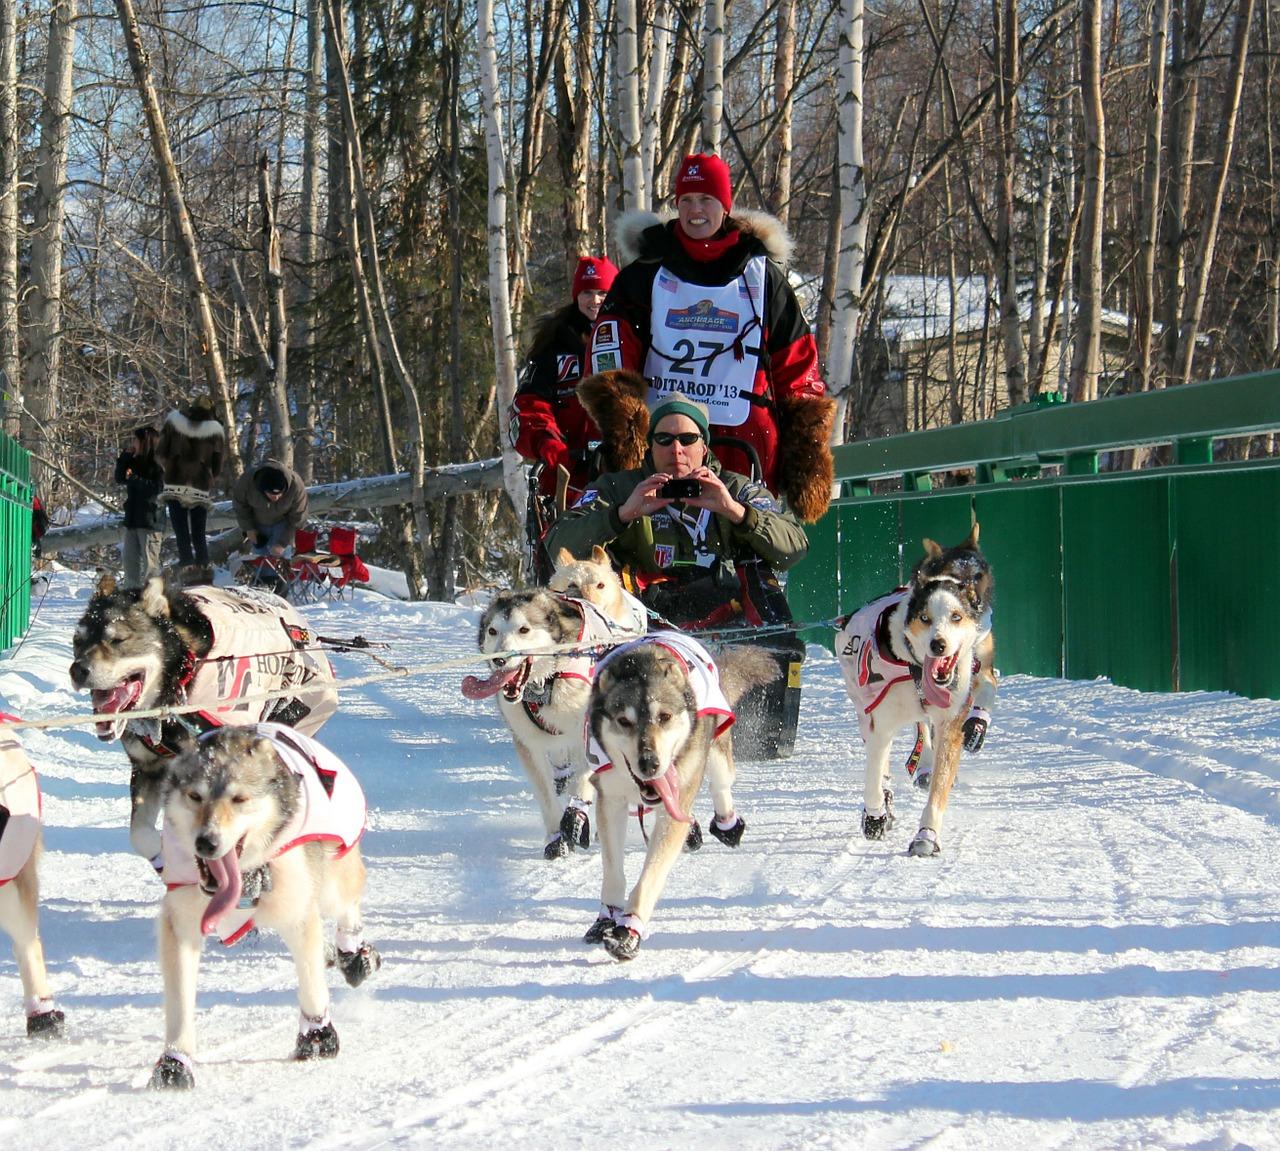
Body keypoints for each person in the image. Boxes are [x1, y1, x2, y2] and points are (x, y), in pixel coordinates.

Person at [582, 153, 835, 525]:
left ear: (725, 206)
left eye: (706, 200)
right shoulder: (643, 276)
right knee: (660, 556)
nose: (694, 210)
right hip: (664, 444)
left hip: (744, 446)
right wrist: (623, 435)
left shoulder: (764, 279)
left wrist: (806, 459)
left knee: (746, 550)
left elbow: (796, 370)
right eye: (686, 200)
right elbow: (610, 358)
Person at [542, 397, 807, 634]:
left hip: (727, 613)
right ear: (651, 447)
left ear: (704, 447)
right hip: (637, 617)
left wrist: (736, 512)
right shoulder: (616, 488)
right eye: (664, 440)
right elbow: (557, 545)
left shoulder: (736, 488)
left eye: (688, 439)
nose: (676, 449)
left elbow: (793, 549)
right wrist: (621, 515)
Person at [155, 395, 225, 583]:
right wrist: (210, 475)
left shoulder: (174, 421)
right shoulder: (215, 430)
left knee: (180, 529)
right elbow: (218, 463)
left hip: (175, 482)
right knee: (198, 529)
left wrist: (169, 467)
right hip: (199, 485)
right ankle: (203, 565)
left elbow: (160, 452)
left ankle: (186, 564)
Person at [114, 425, 166, 590]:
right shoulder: (134, 461)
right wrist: (125, 458)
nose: (133, 443)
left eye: (136, 440)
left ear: (145, 442)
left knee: (150, 565)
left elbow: (157, 489)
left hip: (150, 521)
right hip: (132, 519)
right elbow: (120, 478)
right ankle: (131, 596)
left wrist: (135, 479)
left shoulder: (159, 464)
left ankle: (153, 598)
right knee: (130, 563)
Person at [231, 460, 309, 559]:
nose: (276, 498)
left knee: (281, 558)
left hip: (284, 524)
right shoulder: (246, 482)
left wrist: (283, 543)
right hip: (257, 523)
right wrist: (249, 528)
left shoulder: (296, 485)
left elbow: (298, 518)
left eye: (279, 494)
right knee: (260, 559)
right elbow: (240, 506)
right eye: (272, 494)